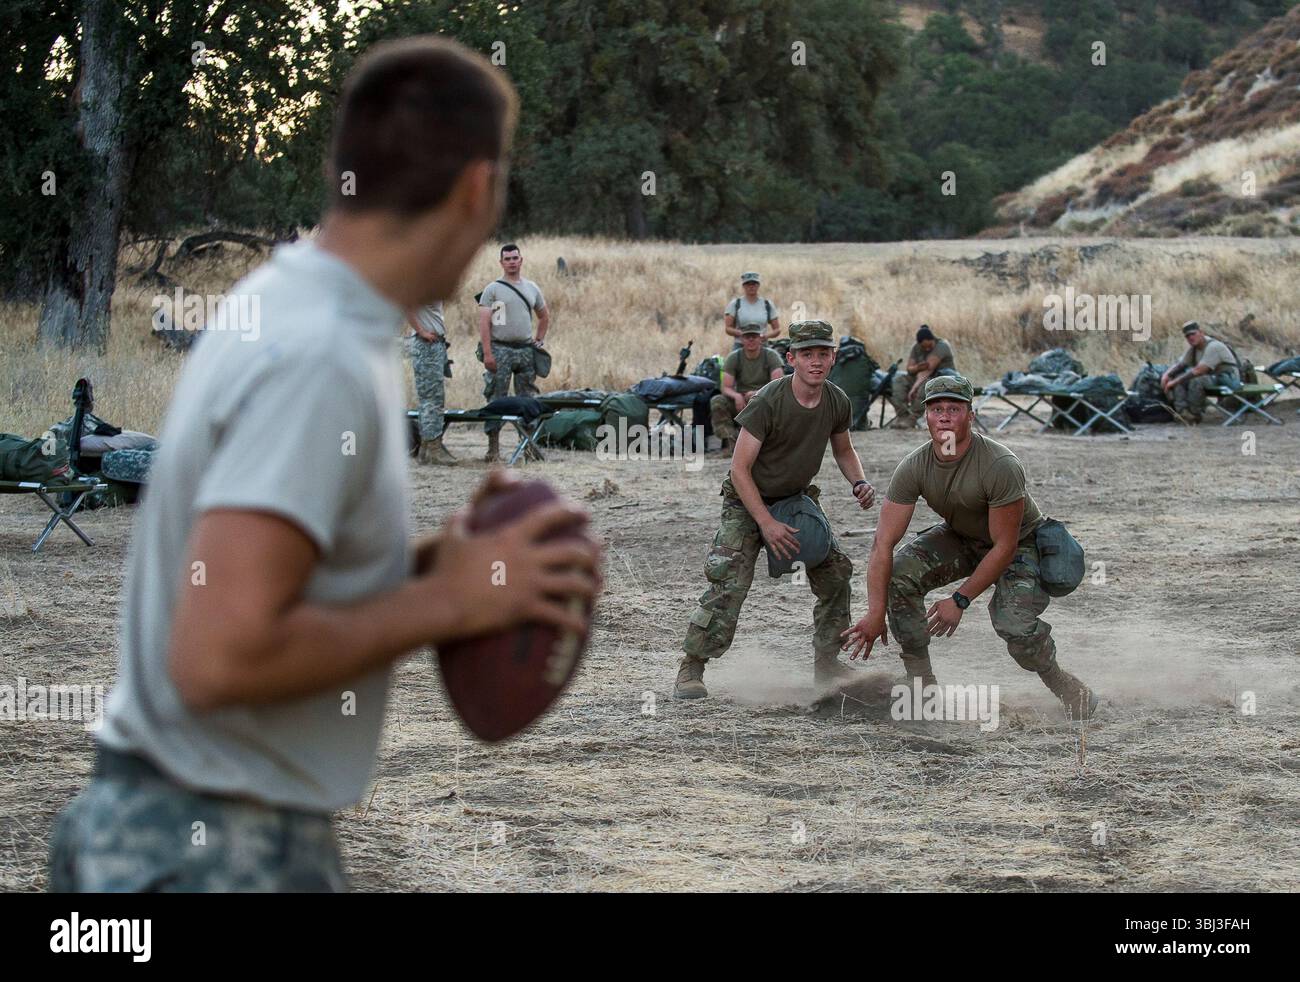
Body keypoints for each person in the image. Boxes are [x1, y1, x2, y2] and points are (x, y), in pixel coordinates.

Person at [47, 36, 601, 893]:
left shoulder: (285, 301)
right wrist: (448, 597)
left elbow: (268, 583)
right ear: (476, 189)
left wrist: (435, 563)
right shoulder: (321, 357)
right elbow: (220, 656)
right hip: (211, 848)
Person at [842, 375, 1098, 721]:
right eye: (936, 409)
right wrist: (875, 612)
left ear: (970, 416)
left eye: (954, 408)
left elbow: (1004, 546)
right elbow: (882, 545)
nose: (944, 416)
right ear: (926, 417)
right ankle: (921, 686)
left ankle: (1064, 685)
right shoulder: (914, 466)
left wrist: (960, 599)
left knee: (1013, 624)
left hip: (1019, 546)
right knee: (900, 574)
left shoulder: (998, 464)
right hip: (963, 536)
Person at [676, 320, 876, 700]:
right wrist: (765, 523)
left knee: (836, 575)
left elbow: (844, 449)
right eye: (807, 355)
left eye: (823, 354)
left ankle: (828, 665)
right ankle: (692, 665)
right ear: (791, 359)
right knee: (729, 583)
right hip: (747, 499)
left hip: (795, 500)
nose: (815, 362)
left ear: (833, 357)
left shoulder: (836, 400)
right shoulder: (769, 401)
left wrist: (859, 482)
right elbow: (739, 469)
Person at [477, 243, 549, 461]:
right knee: (496, 398)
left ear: (521, 260)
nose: (511, 262)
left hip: (525, 350)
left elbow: (544, 316)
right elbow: (484, 322)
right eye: (507, 259)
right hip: (501, 349)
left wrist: (538, 340)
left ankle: (528, 446)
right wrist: (488, 353)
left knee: (528, 399)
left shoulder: (532, 288)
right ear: (501, 262)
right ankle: (493, 449)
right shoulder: (492, 289)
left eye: (514, 258)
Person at [709, 324, 785, 452]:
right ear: (741, 339)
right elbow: (726, 387)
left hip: (766, 399)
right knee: (717, 400)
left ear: (761, 338)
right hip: (742, 400)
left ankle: (770, 441)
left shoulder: (771, 356)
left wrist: (758, 393)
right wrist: (736, 396)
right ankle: (731, 440)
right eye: (747, 337)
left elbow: (777, 384)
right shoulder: (734, 357)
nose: (751, 340)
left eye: (754, 336)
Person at [1160, 320, 1242, 424]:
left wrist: (1174, 382)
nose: (1190, 337)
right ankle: (1183, 413)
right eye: (1187, 336)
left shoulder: (1214, 346)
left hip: (1228, 379)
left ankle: (1194, 414)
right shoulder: (1194, 348)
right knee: (1179, 378)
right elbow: (1180, 365)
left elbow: (1199, 370)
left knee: (1196, 380)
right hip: (1212, 378)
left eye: (1193, 334)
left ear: (1201, 333)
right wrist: (1166, 376)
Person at [409, 301, 454, 464]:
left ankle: (426, 448)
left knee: (431, 399)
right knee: (432, 399)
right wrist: (421, 331)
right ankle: (433, 448)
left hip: (434, 344)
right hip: (427, 345)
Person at [889, 325, 956, 428]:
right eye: (924, 347)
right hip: (920, 377)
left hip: (942, 380)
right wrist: (917, 368)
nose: (927, 349)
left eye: (929, 346)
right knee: (898, 381)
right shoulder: (916, 347)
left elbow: (927, 370)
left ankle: (912, 419)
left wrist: (914, 387)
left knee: (926, 385)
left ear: (933, 339)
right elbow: (909, 369)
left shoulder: (942, 346)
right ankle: (903, 416)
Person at [723, 271, 781, 349]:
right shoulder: (735, 304)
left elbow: (777, 329)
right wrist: (741, 334)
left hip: (762, 345)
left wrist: (765, 336)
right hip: (741, 345)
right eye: (748, 284)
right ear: (743, 286)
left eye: (754, 284)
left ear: (758, 285)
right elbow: (728, 328)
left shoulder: (767, 304)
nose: (751, 286)